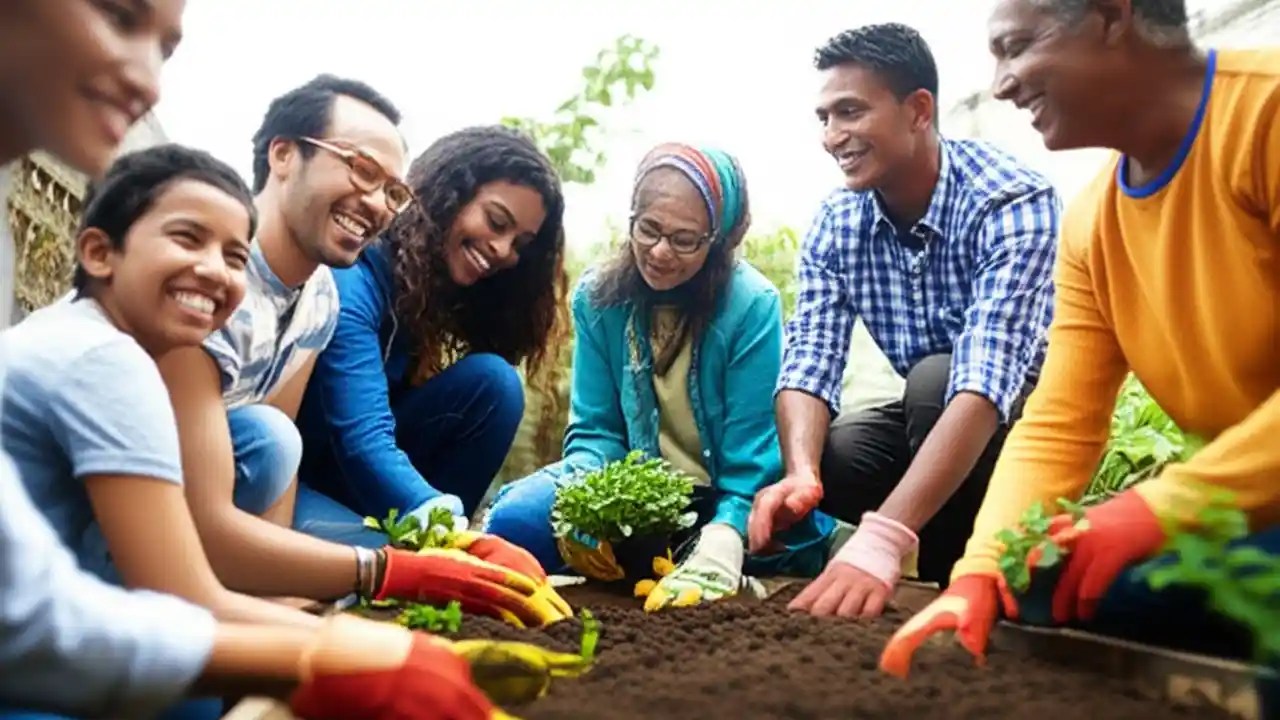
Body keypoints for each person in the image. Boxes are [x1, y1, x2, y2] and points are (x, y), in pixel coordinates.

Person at [0, 3, 501, 719]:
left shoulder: (304, 302)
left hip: (67, 609)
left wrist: (297, 622)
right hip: (54, 643)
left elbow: (269, 467)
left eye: (234, 256)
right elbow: (177, 595)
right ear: (99, 252)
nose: (214, 274)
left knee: (271, 446)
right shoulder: (105, 360)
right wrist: (373, 609)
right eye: (186, 239)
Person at [881, 0, 1280, 677]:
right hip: (1249, 516)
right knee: (1046, 588)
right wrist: (979, 572)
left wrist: (1158, 508)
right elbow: (1059, 424)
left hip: (1241, 512)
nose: (1002, 83)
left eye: (1016, 47)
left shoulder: (1262, 118)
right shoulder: (1095, 221)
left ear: (1109, 16)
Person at [153, 76, 569, 624]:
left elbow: (283, 454)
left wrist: (284, 581)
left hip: (270, 483)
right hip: (181, 503)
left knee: (491, 385)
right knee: (280, 454)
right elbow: (344, 437)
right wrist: (423, 550)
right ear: (284, 155)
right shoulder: (224, 289)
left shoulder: (316, 296)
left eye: (390, 190)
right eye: (361, 171)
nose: (502, 250)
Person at [747, 22, 1064, 619]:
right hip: (933, 412)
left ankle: (962, 575)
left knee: (933, 381)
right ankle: (929, 565)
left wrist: (883, 535)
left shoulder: (1010, 200)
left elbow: (984, 379)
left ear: (919, 110)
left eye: (849, 112)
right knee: (839, 453)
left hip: (1025, 417)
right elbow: (810, 361)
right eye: (823, 118)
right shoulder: (839, 223)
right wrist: (801, 474)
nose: (832, 136)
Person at [484, 143, 835, 610]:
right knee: (516, 522)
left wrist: (728, 530)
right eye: (647, 229)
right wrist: (589, 507)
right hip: (638, 500)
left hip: (718, 499)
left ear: (719, 239)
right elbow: (596, 432)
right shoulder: (598, 298)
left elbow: (752, 457)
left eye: (685, 239)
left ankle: (726, 554)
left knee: (708, 554)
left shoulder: (752, 305)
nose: (660, 252)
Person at [295, 124, 568, 534]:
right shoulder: (355, 278)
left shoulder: (424, 296)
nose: (503, 250)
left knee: (494, 384)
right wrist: (435, 515)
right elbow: (361, 435)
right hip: (301, 478)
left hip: (368, 480)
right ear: (449, 196)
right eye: (496, 222)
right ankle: (426, 539)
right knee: (375, 559)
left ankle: (427, 540)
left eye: (520, 245)